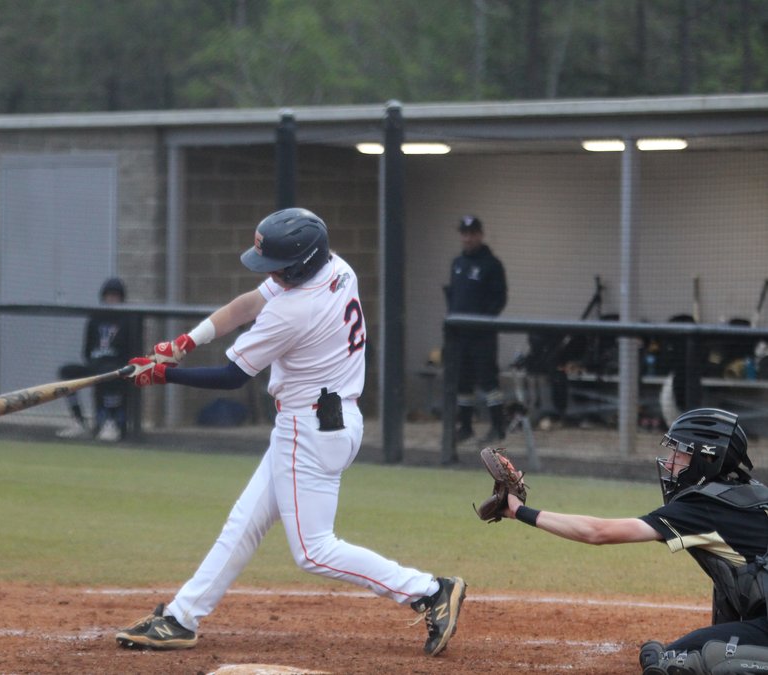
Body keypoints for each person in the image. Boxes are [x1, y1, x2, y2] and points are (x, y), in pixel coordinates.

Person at [113, 207, 467, 655]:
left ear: (299, 264)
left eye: (277, 268)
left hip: (310, 428)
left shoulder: (295, 310)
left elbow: (230, 376)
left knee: (314, 550)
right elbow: (248, 303)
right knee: (244, 523)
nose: (270, 275)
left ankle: (429, 590)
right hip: (322, 419)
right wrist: (184, 344)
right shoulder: (336, 267)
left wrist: (164, 376)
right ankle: (182, 617)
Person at [499, 408, 768, 674]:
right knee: (668, 652)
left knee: (672, 662)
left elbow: (598, 532)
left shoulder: (705, 506)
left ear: (706, 458)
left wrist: (519, 511)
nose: (671, 461)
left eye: (680, 453)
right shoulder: (751, 493)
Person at [444, 214, 508, 443]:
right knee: (463, 382)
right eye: (464, 234)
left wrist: (484, 320)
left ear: (480, 235)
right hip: (460, 336)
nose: (468, 238)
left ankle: (498, 426)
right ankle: (466, 426)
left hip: (482, 335)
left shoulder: (492, 264)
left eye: (472, 234)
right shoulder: (458, 264)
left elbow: (499, 299)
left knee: (488, 380)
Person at [56, 277, 130, 441]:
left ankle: (111, 423)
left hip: (117, 366)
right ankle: (79, 422)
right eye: (108, 296)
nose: (111, 299)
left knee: (110, 374)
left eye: (115, 296)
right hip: (96, 364)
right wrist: (94, 362)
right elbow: (87, 350)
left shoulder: (128, 319)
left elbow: (131, 351)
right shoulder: (95, 319)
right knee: (66, 372)